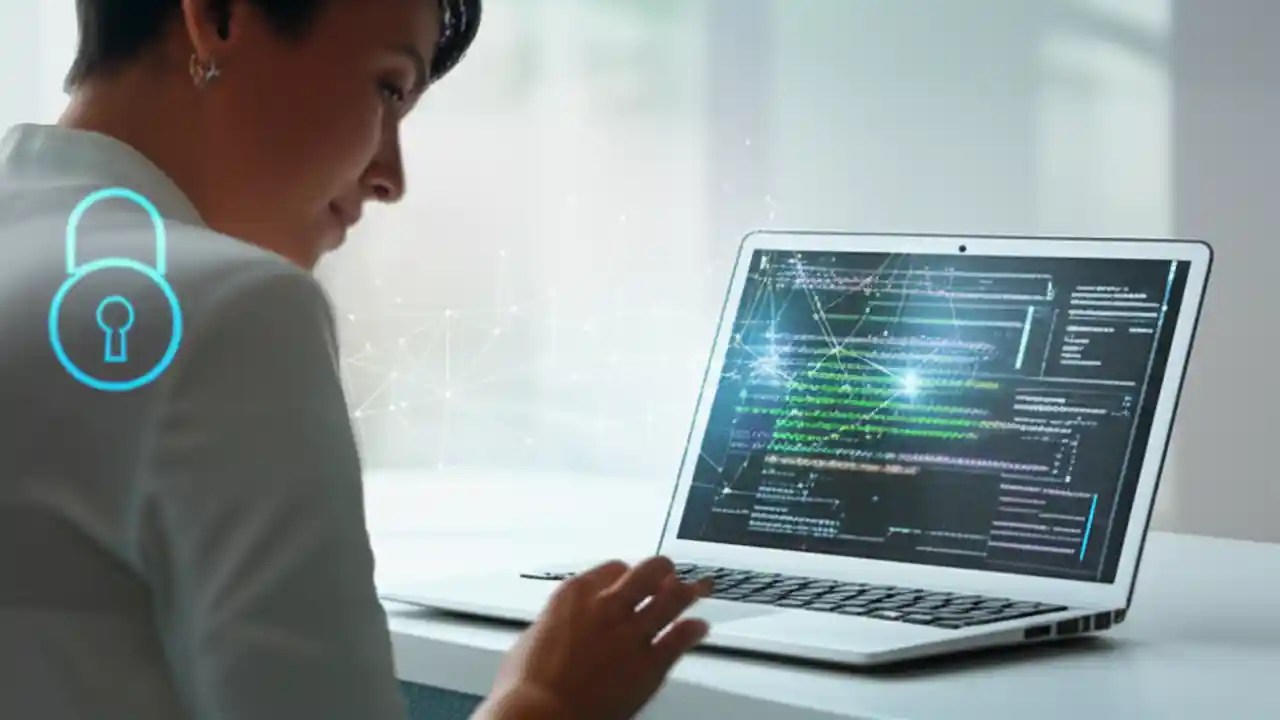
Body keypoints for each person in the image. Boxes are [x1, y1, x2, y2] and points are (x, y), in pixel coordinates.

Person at [0, 1, 713, 718]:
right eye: (387, 88)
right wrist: (547, 699)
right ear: (216, 18)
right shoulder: (233, 311)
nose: (390, 178)